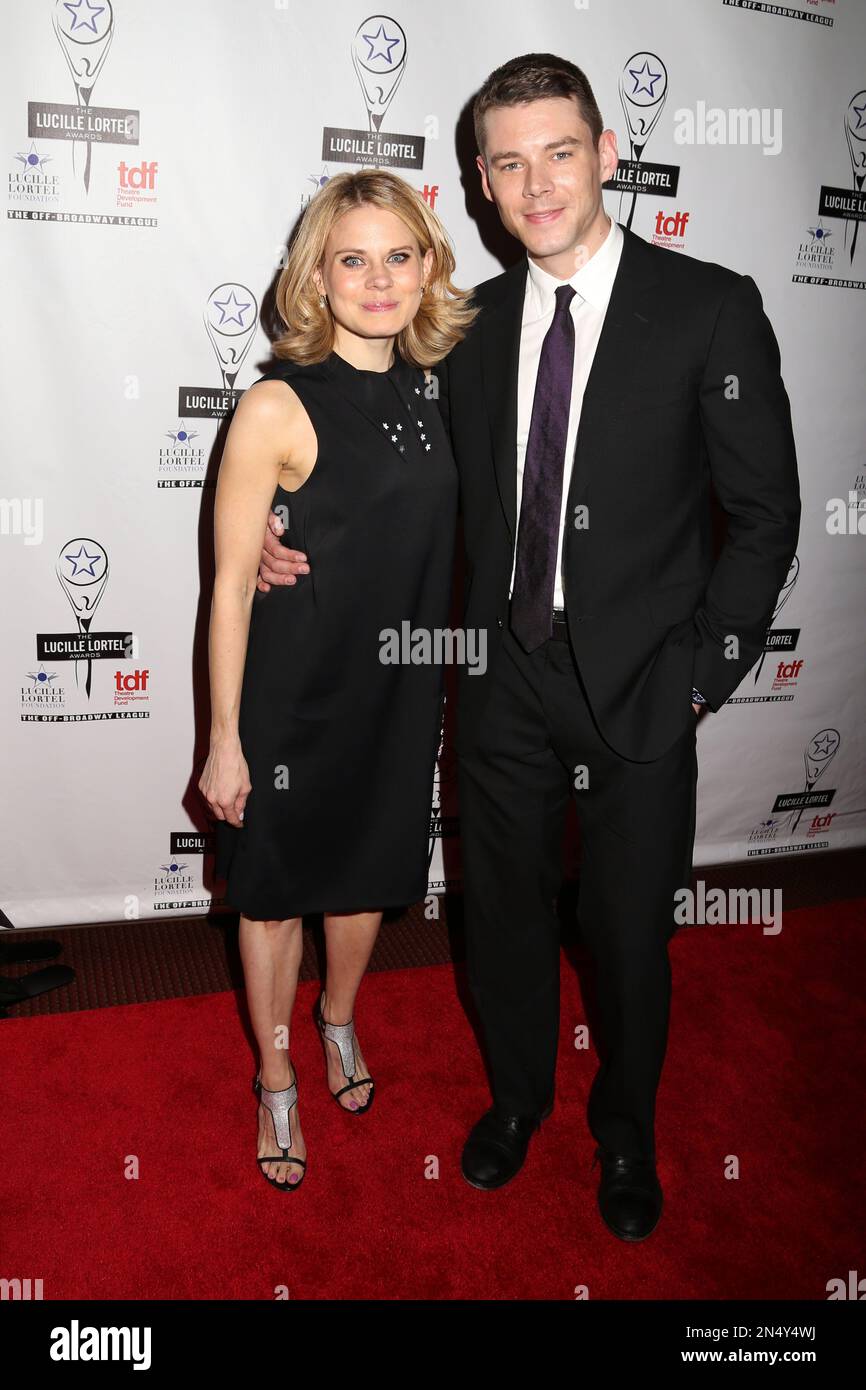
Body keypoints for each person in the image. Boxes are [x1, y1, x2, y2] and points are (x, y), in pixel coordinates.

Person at [257, 54, 800, 1236]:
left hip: (645, 692)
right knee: (497, 911)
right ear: (481, 185)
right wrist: (271, 531)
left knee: (625, 935)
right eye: (507, 162)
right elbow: (366, 463)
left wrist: (701, 678)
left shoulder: (707, 305)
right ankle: (514, 1103)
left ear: (606, 154)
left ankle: (625, 1135)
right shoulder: (466, 323)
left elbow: (765, 517)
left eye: (558, 151)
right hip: (499, 679)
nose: (535, 181)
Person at [200, 169, 476, 1190]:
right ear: (315, 276)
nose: (376, 278)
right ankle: (276, 1070)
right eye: (350, 258)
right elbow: (230, 586)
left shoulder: (452, 386)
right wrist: (224, 738)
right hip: (292, 696)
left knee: (366, 878)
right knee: (271, 896)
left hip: (402, 689)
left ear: (426, 265)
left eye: (397, 255)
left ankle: (336, 1019)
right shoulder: (276, 403)